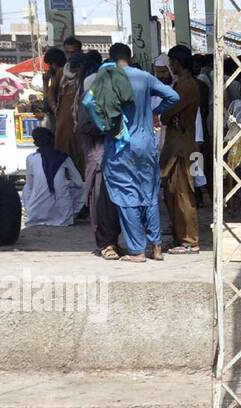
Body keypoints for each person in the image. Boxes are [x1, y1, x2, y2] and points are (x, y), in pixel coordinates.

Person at [88, 43, 179, 262]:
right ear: (131, 56)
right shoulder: (145, 77)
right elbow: (173, 97)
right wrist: (153, 112)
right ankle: (156, 247)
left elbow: (89, 103)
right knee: (149, 194)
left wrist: (104, 125)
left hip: (121, 145)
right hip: (147, 144)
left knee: (126, 196)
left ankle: (137, 250)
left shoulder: (107, 77)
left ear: (110, 57)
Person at [76, 50, 122, 258]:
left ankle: (112, 240)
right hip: (99, 157)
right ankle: (106, 243)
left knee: (114, 202)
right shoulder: (90, 98)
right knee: (100, 201)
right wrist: (109, 126)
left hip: (113, 156)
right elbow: (86, 125)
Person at [161, 45, 201, 254]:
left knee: (183, 195)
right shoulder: (182, 84)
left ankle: (189, 241)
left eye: (171, 62)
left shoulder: (187, 86)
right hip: (178, 146)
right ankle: (181, 238)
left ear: (177, 62)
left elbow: (166, 115)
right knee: (173, 194)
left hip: (182, 148)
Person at [23, 126, 84, 226]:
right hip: (64, 217)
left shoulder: (30, 158)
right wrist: (66, 183)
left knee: (26, 188)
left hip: (36, 215)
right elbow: (79, 182)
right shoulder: (64, 157)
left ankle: (33, 211)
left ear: (36, 143)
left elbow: (30, 186)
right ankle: (72, 213)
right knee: (83, 186)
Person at [54, 50, 87, 189]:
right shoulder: (61, 74)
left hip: (79, 126)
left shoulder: (86, 79)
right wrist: (55, 107)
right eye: (67, 51)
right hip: (64, 124)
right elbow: (51, 93)